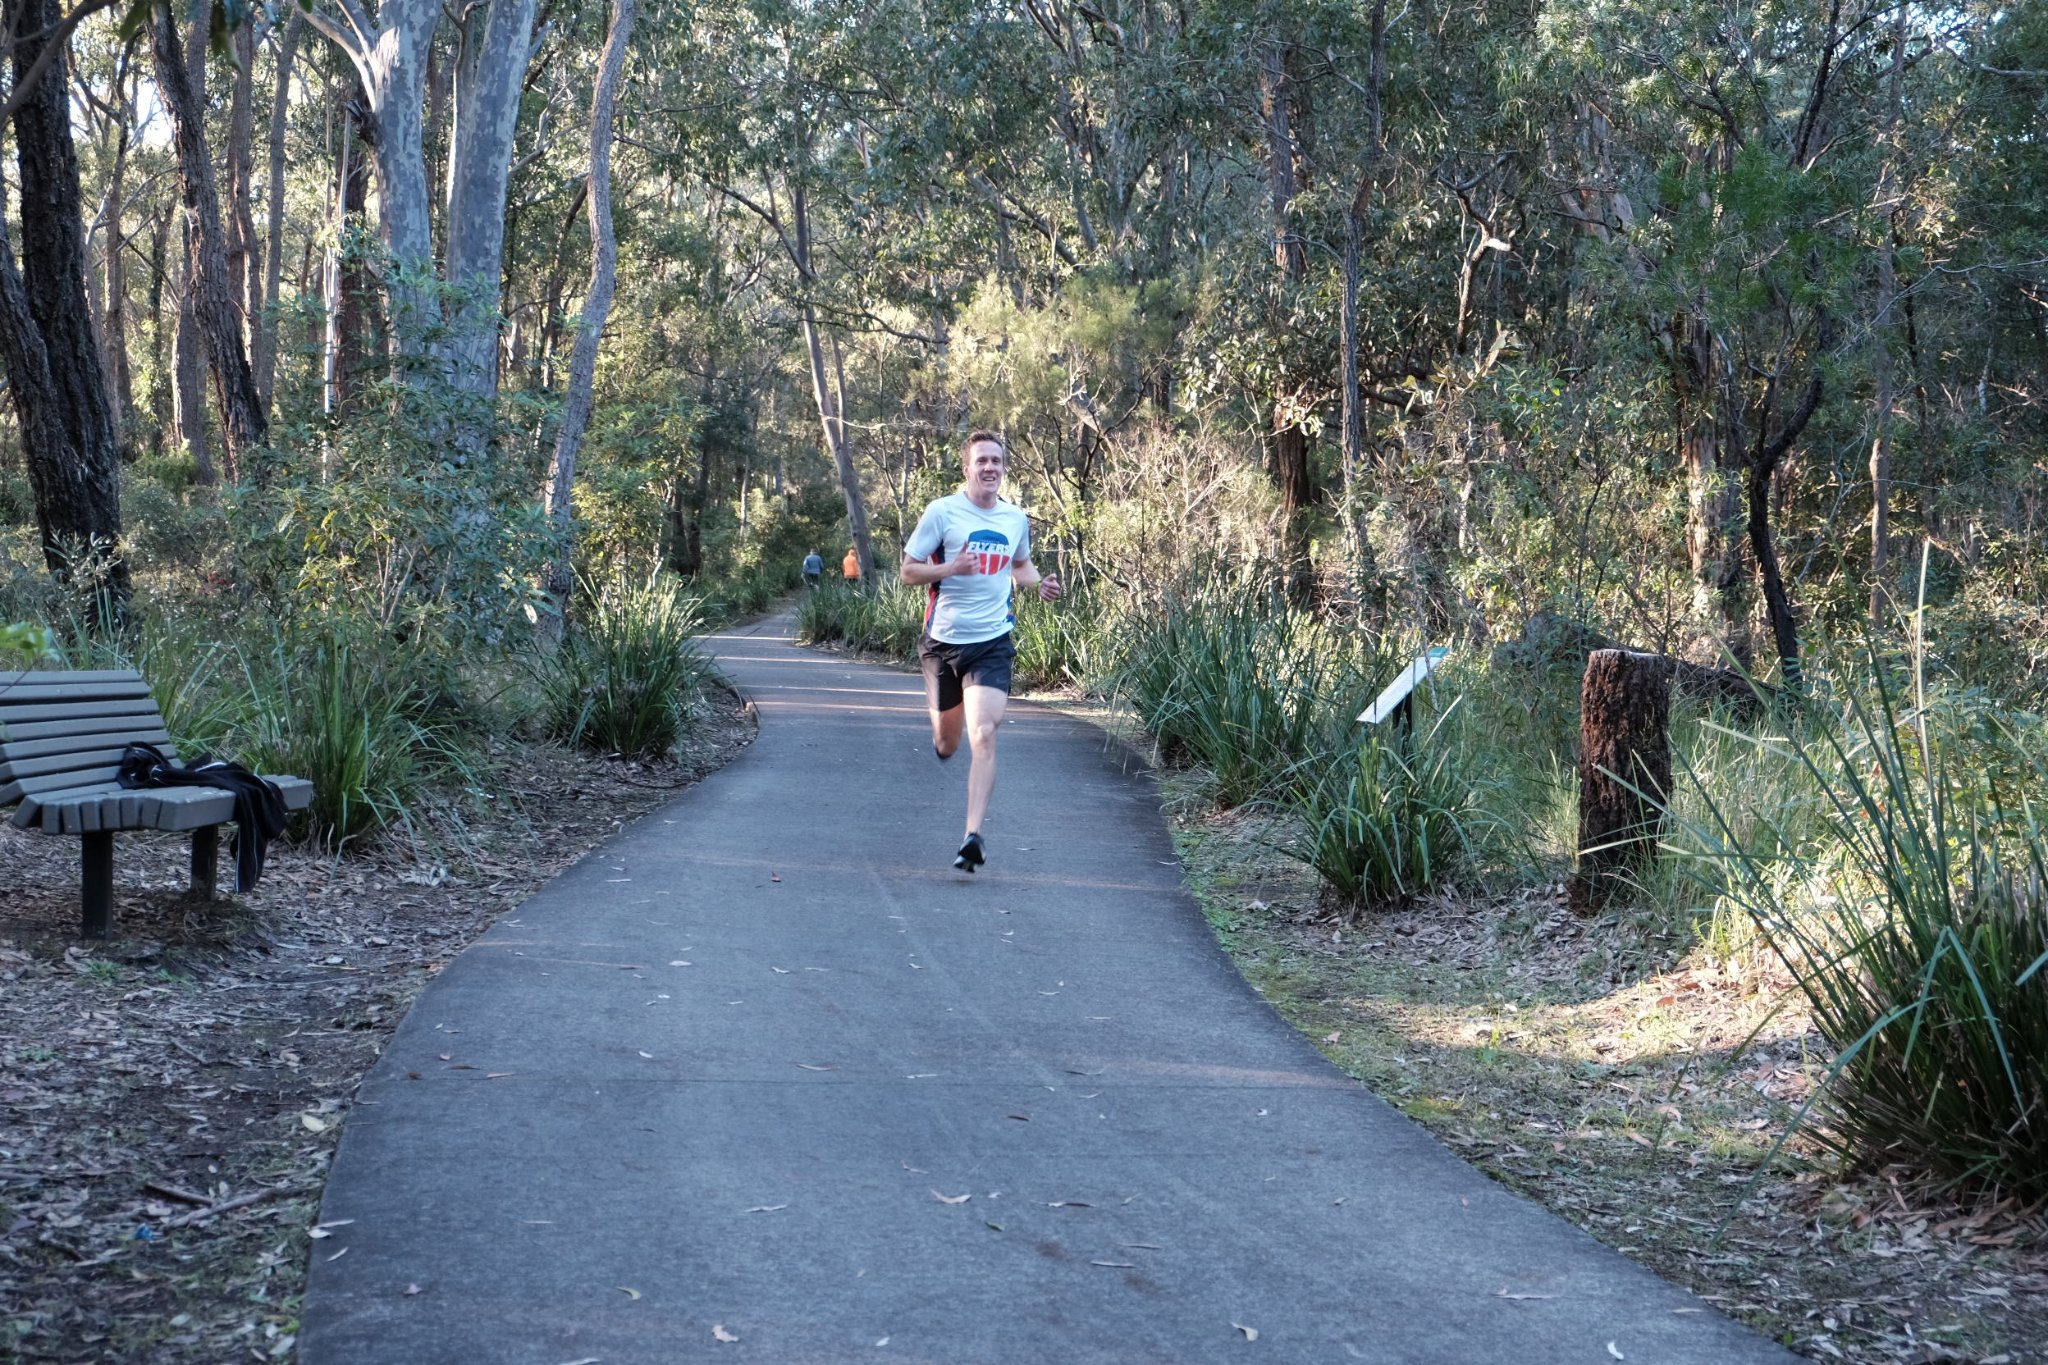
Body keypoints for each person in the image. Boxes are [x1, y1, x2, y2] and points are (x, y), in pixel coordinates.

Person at [900, 430, 1060, 872]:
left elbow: (1020, 564)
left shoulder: (1015, 518)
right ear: (967, 468)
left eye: (997, 461)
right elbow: (908, 571)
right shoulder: (943, 512)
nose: (990, 468)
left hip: (992, 642)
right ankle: (944, 743)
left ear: (1003, 469)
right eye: (982, 461)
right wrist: (952, 567)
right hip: (942, 644)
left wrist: (1039, 583)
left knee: (984, 734)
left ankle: (971, 837)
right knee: (948, 743)